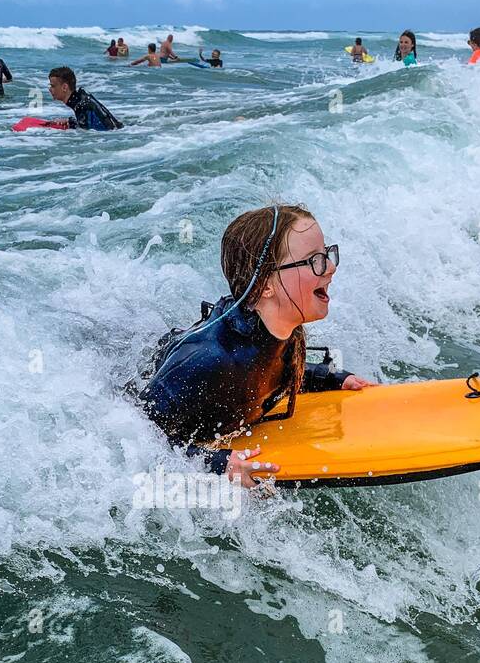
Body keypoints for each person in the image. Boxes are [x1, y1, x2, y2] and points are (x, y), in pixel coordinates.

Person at [139, 204, 375, 487]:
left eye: (327, 254)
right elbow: (139, 433)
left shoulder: (282, 332)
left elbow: (267, 373)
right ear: (265, 285)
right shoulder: (207, 360)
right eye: (314, 260)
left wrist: (333, 378)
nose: (331, 267)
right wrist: (216, 464)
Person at [48, 66, 123, 130]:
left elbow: (87, 134)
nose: (50, 89)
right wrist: (70, 122)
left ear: (64, 87)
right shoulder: (81, 98)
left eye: (53, 86)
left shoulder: (81, 105)